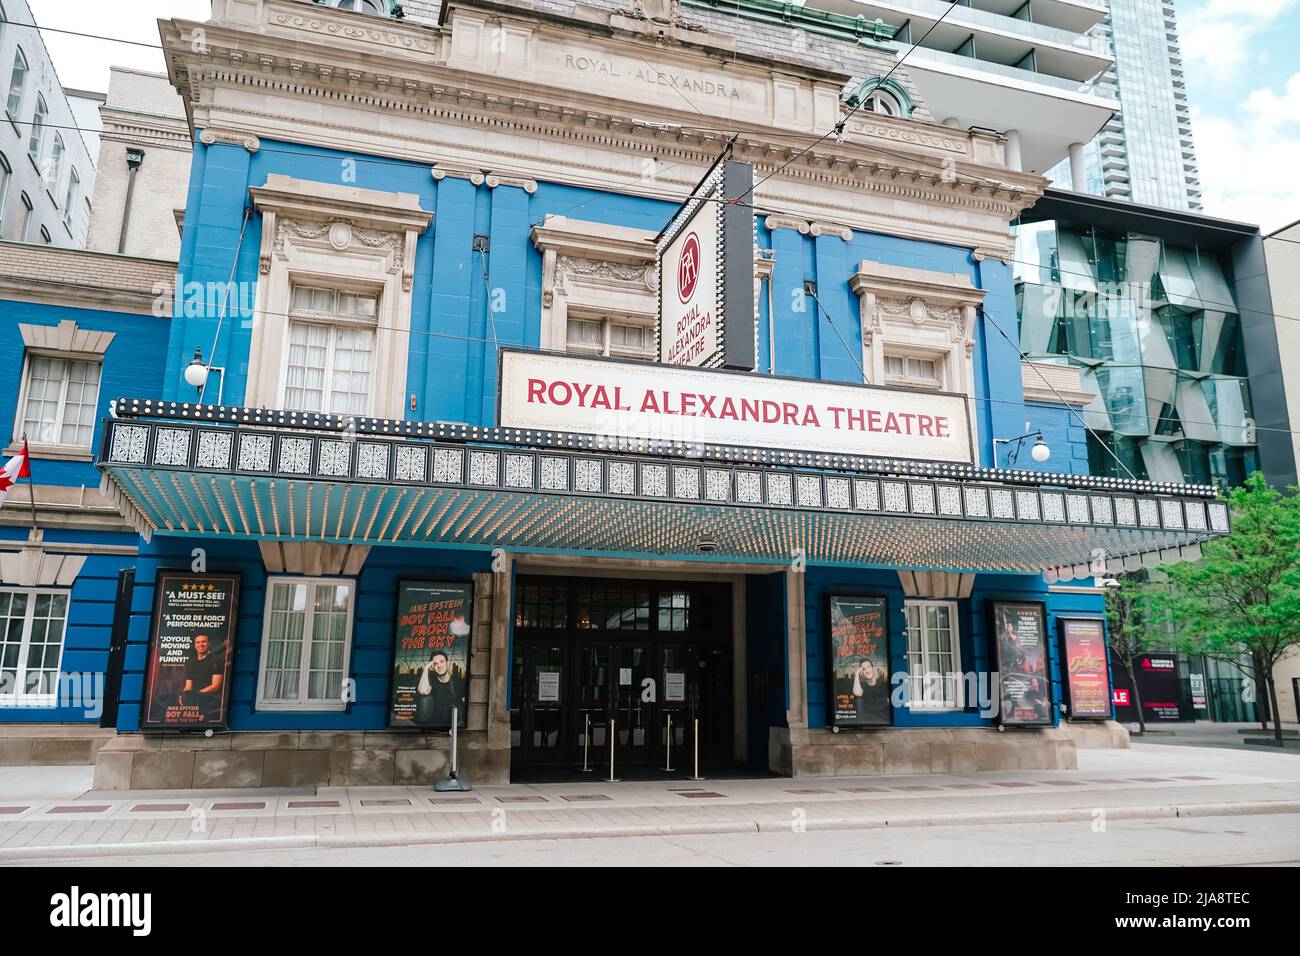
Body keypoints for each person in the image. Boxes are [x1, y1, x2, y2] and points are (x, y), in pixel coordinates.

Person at [179, 633, 224, 723]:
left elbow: (215, 686)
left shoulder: (216, 660)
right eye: (198, 642)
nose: (201, 644)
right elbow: (188, 686)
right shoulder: (191, 662)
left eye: (204, 642)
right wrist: (184, 697)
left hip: (210, 699)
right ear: (195, 645)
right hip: (193, 699)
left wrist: (195, 695)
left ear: (209, 644)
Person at [415, 650, 466, 727]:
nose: (439, 666)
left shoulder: (458, 682)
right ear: (432, 667)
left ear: (447, 663)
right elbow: (423, 691)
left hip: (454, 725)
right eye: (435, 664)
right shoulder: (431, 680)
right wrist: (426, 669)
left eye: (442, 662)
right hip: (435, 724)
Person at [850, 658, 890, 724]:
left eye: (869, 667)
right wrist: (856, 674)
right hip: (867, 721)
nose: (867, 671)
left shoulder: (883, 684)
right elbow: (857, 693)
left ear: (873, 668)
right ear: (861, 672)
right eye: (863, 669)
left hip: (884, 720)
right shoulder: (862, 685)